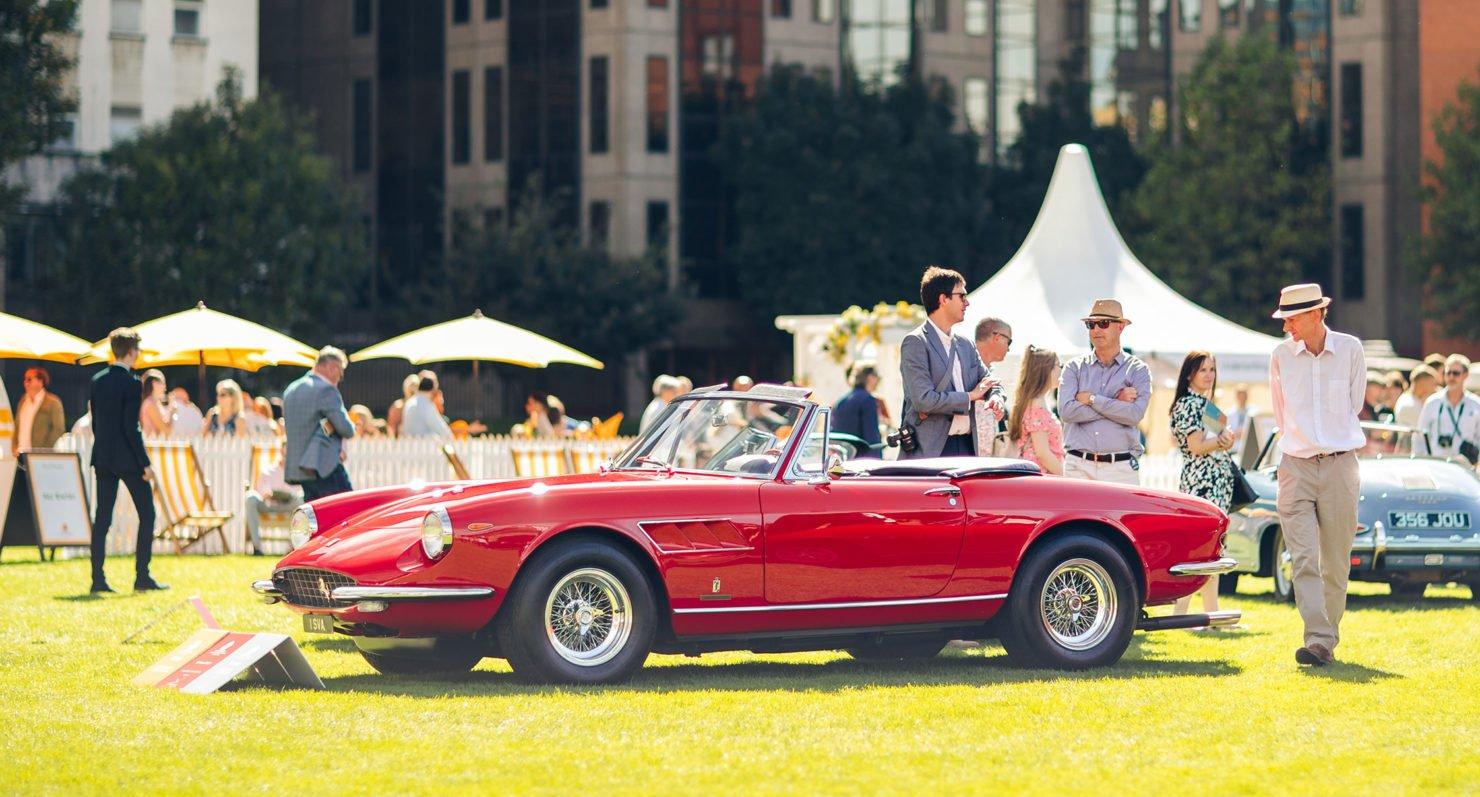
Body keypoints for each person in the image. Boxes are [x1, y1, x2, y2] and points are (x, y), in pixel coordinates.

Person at [1268, 283, 1365, 667]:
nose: (1285, 325)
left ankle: (1326, 637)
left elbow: (1354, 405)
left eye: (1291, 318)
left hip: (1341, 465)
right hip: (1295, 465)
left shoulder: (1351, 349)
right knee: (1304, 558)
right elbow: (1280, 413)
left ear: (1315, 314)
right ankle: (1319, 639)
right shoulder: (1280, 356)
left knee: (1336, 561)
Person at [87, 328, 165, 593]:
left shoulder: (97, 380)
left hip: (103, 456)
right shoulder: (132, 384)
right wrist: (144, 463)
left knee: (102, 519)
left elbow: (96, 422)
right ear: (132, 351)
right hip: (128, 459)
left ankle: (97, 579)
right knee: (147, 513)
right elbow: (131, 428)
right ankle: (142, 576)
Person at [1169, 351, 1237, 619]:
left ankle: (1212, 614)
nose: (1209, 375)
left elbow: (1220, 436)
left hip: (1216, 481)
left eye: (1212, 369)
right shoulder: (1188, 404)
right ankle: (1181, 614)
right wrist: (1221, 442)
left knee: (1213, 551)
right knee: (1200, 550)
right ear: (1190, 374)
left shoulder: (1205, 404)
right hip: (1202, 481)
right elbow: (1196, 446)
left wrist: (1225, 440)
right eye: (1203, 370)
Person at [899, 266, 992, 459]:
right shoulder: (915, 342)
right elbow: (923, 400)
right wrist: (969, 397)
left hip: (967, 447)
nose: (967, 303)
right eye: (962, 296)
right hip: (931, 451)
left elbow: (988, 381)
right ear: (943, 299)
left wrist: (996, 398)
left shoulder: (966, 344)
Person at [1058, 299, 1151, 484]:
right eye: (1091, 325)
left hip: (1121, 469)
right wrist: (1116, 402)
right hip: (1078, 466)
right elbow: (1067, 412)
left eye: (1104, 323)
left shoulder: (1138, 369)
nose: (1096, 330)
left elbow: (1133, 415)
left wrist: (1092, 399)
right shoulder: (1073, 367)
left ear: (1121, 327)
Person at [283, 347, 356, 501]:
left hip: (300, 470)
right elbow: (346, 429)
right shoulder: (326, 390)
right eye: (341, 370)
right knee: (347, 511)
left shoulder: (291, 389)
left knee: (315, 520)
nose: (341, 376)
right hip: (324, 467)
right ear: (332, 367)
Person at [1009, 346, 1064, 475]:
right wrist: (1067, 477)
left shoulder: (1035, 401)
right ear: (1046, 370)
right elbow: (1043, 453)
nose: (1061, 370)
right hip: (1041, 477)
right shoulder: (1037, 406)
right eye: (1058, 365)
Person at [1415, 354, 1480, 463]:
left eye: (1455, 373)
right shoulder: (1432, 402)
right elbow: (1419, 438)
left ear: (1465, 375)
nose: (1451, 377)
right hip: (1437, 466)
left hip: (1465, 468)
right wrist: (1423, 462)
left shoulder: (1475, 404)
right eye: (1448, 373)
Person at [243, 442, 303, 556]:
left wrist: (287, 495)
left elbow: (297, 493)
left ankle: (293, 549)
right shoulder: (268, 471)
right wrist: (269, 494)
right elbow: (261, 492)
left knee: (300, 501)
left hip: (287, 507)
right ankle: (257, 548)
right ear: (281, 452)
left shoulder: (297, 473)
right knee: (250, 498)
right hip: (268, 505)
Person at [972, 317, 1013, 456]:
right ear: (997, 337)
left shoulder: (991, 371)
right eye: (1009, 341)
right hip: (964, 456)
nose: (1009, 348)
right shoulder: (962, 364)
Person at [833, 363, 882, 457]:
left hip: (843, 458)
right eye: (877, 376)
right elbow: (872, 436)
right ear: (870, 377)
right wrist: (877, 461)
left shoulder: (841, 401)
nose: (878, 380)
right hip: (861, 460)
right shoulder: (868, 400)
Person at [15, 367, 65, 453]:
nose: (26, 382)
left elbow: (58, 429)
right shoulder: (23, 401)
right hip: (21, 454)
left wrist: (44, 450)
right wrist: (14, 446)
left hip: (39, 456)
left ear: (40, 382)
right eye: (25, 379)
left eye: (29, 379)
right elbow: (17, 425)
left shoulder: (52, 402)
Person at [1394, 365, 1438, 430]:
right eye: (1432, 384)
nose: (1435, 389)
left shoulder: (1414, 399)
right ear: (1422, 383)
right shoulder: (1408, 405)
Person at [138, 369, 172, 437]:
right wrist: (172, 408)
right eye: (163, 383)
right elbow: (166, 430)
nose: (165, 388)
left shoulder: (154, 403)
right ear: (154, 384)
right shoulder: (150, 404)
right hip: (151, 446)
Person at [385, 373, 418, 437]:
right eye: (411, 387)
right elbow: (391, 427)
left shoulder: (422, 407)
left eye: (415, 386)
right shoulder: (398, 406)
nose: (413, 390)